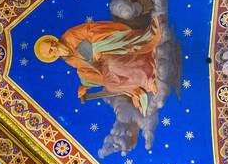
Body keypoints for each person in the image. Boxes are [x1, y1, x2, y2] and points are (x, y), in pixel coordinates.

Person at [35, 21, 163, 115]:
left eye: (52, 44)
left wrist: (97, 47)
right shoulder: (69, 60)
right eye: (51, 51)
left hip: (111, 46)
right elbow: (85, 69)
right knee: (110, 84)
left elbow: (94, 30)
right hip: (104, 62)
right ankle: (136, 88)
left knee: (113, 65)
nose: (54, 47)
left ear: (54, 40)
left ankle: (148, 80)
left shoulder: (71, 35)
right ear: (53, 57)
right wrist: (85, 85)